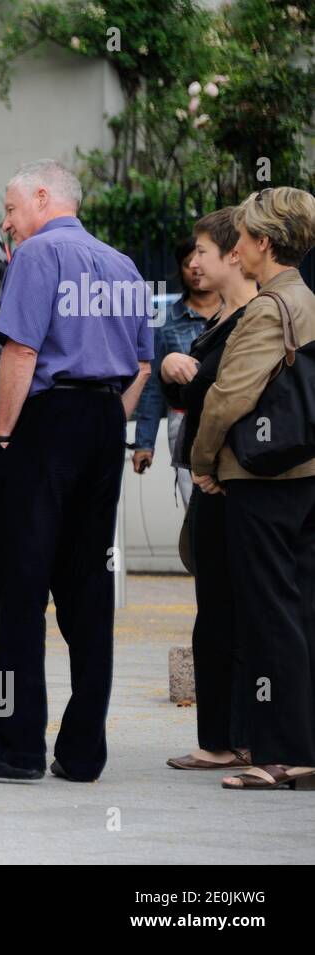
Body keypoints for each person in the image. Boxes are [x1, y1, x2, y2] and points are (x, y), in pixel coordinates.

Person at [0, 159, 151, 783]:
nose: (8, 222)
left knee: (16, 592)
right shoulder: (123, 264)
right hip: (101, 423)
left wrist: (5, 436)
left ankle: (18, 747)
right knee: (88, 591)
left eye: (11, 209)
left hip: (43, 423)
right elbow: (144, 364)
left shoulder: (39, 257)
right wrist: (103, 419)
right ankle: (84, 750)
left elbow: (21, 350)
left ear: (43, 197)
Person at [190, 186, 315, 792]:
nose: (234, 247)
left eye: (241, 237)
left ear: (265, 243)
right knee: (299, 612)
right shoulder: (308, 300)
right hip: (303, 474)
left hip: (262, 480)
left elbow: (229, 396)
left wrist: (203, 458)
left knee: (268, 617)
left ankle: (283, 754)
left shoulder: (269, 309)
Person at [162, 208, 254, 772]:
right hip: (217, 480)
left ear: (233, 255)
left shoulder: (250, 318)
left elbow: (227, 397)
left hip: (225, 482)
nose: (192, 262)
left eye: (202, 250)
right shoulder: (225, 319)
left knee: (225, 611)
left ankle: (225, 738)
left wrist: (203, 459)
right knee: (220, 609)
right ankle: (228, 733)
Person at [131, 237, 218, 504]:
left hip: (233, 420)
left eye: (200, 259)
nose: (194, 267)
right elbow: (153, 383)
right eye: (186, 263)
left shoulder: (239, 311)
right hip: (185, 422)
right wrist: (144, 443)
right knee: (196, 509)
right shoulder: (166, 319)